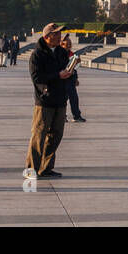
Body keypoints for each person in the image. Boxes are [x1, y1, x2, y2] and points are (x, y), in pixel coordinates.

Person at [26, 23, 72, 178]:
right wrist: (58, 75)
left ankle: (46, 168)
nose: (60, 37)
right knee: (38, 136)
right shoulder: (37, 54)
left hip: (60, 100)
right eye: (56, 34)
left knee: (56, 136)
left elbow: (66, 70)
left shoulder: (61, 52)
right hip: (44, 102)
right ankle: (31, 170)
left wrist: (72, 72)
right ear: (46, 37)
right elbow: (36, 77)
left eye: (60, 34)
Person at [61, 36, 85, 122]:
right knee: (63, 99)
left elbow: (74, 69)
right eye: (68, 44)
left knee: (74, 98)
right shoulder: (59, 53)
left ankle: (77, 116)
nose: (69, 45)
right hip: (62, 80)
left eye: (70, 44)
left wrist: (76, 79)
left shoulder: (72, 54)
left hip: (71, 80)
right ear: (62, 44)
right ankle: (62, 116)